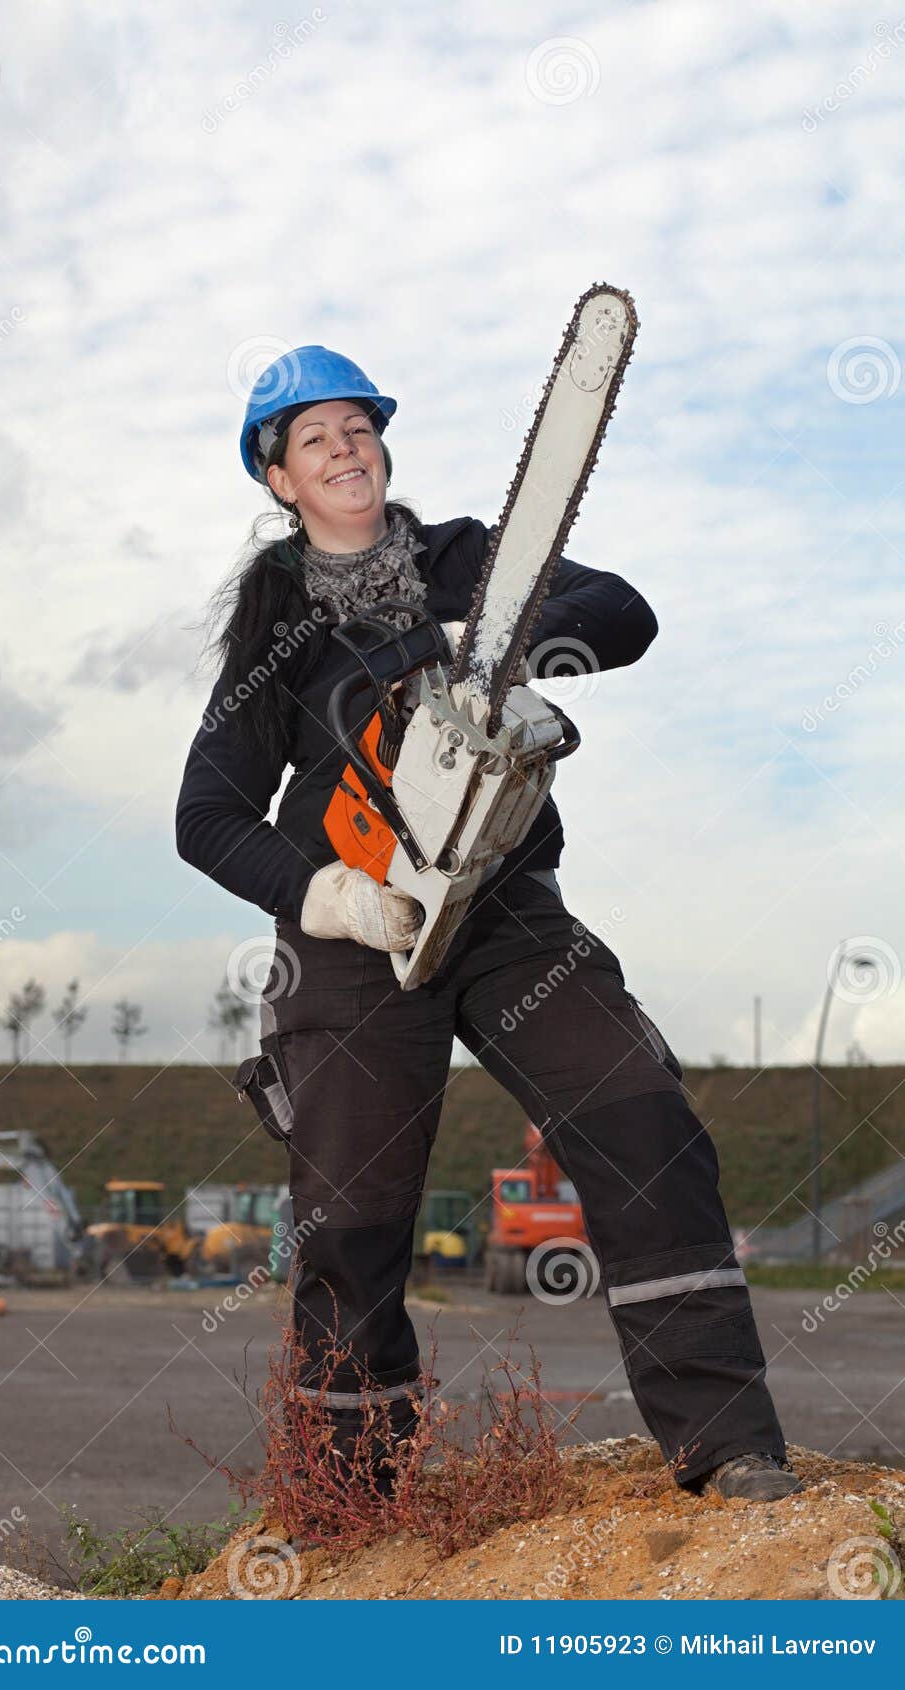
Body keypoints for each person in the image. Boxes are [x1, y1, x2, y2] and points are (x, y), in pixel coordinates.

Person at [175, 345, 803, 1505]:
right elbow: (204, 816)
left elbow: (623, 611)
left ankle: (725, 1442)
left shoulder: (463, 558)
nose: (344, 448)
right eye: (313, 438)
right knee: (349, 1222)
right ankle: (350, 1497)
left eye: (356, 426)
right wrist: (332, 898)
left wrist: (489, 641)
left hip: (504, 907)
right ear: (278, 480)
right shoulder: (276, 632)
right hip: (360, 934)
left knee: (641, 1118)